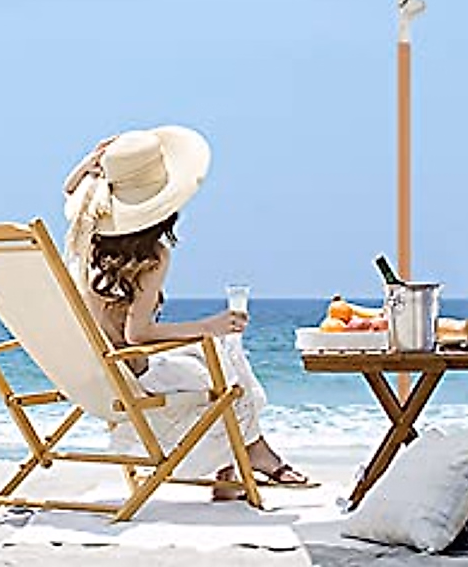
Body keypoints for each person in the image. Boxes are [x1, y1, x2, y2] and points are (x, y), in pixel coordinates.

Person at [63, 124, 315, 492]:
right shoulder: (151, 256)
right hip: (137, 375)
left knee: (223, 353)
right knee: (226, 367)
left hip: (105, 376)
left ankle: (235, 467)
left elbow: (71, 189)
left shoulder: (84, 238)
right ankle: (256, 456)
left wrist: (92, 160)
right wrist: (209, 325)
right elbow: (138, 334)